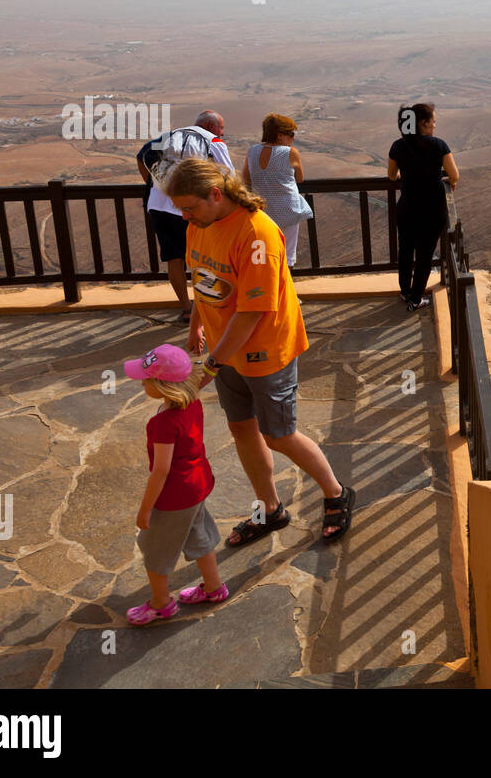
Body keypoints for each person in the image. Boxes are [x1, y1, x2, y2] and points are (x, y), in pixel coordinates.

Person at [165, 158, 355, 544]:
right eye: (180, 208)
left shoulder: (256, 234)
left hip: (264, 350)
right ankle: (271, 509)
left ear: (215, 195)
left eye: (189, 206)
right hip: (224, 348)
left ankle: (336, 493)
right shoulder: (200, 224)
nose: (184, 216)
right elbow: (205, 280)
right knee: (241, 429)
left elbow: (252, 313)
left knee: (279, 435)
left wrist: (209, 367)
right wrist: (196, 327)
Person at [124, 342, 226, 626]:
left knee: (155, 551)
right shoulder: (191, 403)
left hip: (175, 496)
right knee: (198, 534)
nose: (142, 384)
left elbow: (161, 471)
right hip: (198, 484)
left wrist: (145, 510)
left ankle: (161, 604)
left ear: (162, 385)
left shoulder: (164, 424)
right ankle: (214, 588)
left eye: (146, 380)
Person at [136, 110, 234, 321]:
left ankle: (187, 309)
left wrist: (156, 185)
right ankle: (210, 307)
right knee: (205, 258)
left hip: (159, 205)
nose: (223, 133)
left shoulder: (169, 136)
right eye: (222, 128)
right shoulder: (213, 141)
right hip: (192, 207)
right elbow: (230, 176)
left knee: (174, 257)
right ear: (210, 126)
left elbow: (142, 156)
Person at [388, 103, 459, 311]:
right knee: (425, 253)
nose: (435, 125)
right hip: (432, 208)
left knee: (406, 249)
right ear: (423, 123)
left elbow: (392, 176)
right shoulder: (439, 145)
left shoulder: (398, 146)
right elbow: (454, 175)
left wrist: (405, 175)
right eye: (433, 121)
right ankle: (417, 298)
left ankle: (405, 291)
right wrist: (445, 178)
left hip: (407, 207)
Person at [241, 113, 313, 267]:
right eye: (291, 134)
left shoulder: (252, 151)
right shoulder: (290, 153)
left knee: (266, 256)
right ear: (280, 135)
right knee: (286, 257)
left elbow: (246, 179)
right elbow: (300, 178)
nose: (293, 138)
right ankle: (284, 288)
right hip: (288, 210)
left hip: (263, 212)